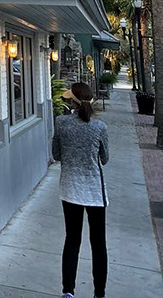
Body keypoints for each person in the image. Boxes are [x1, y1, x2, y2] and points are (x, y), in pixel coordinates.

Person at [52, 81, 109, 298]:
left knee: (72, 240)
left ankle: (68, 291)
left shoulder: (61, 123)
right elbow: (105, 159)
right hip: (95, 191)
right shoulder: (99, 127)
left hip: (70, 189)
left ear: (72, 102)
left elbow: (56, 154)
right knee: (98, 244)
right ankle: (99, 293)